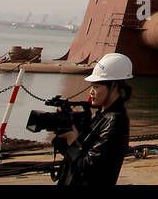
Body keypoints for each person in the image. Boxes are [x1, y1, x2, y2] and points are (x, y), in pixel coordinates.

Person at [52, 52, 132, 185]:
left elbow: (90, 168)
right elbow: (76, 154)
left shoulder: (115, 121)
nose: (91, 92)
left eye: (96, 87)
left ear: (114, 87)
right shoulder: (101, 114)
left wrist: (73, 140)